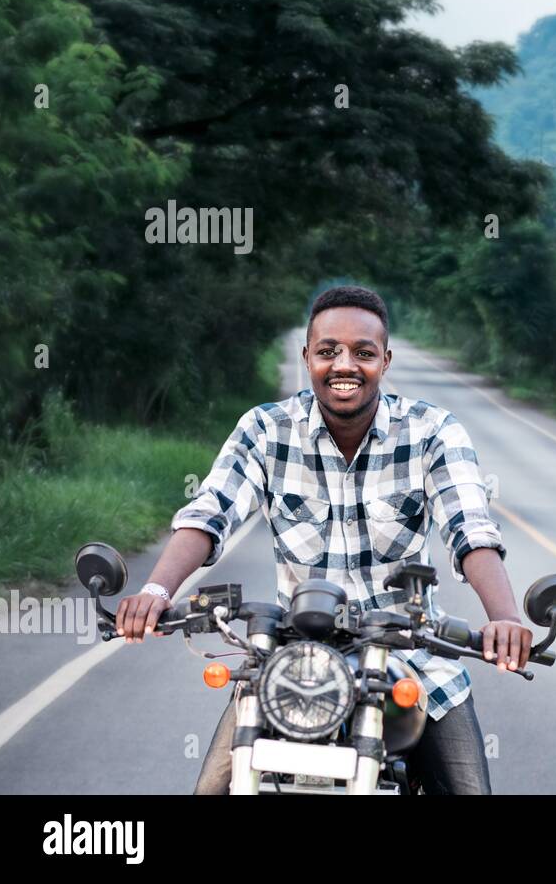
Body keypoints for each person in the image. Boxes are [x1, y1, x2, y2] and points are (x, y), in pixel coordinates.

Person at [113, 285, 529, 794]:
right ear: (307, 356)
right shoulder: (265, 429)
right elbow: (209, 513)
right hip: (291, 662)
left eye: (363, 352)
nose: (344, 365)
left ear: (386, 360)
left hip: (411, 657)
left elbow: (471, 530)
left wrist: (505, 618)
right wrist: (156, 593)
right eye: (329, 351)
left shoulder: (432, 432)